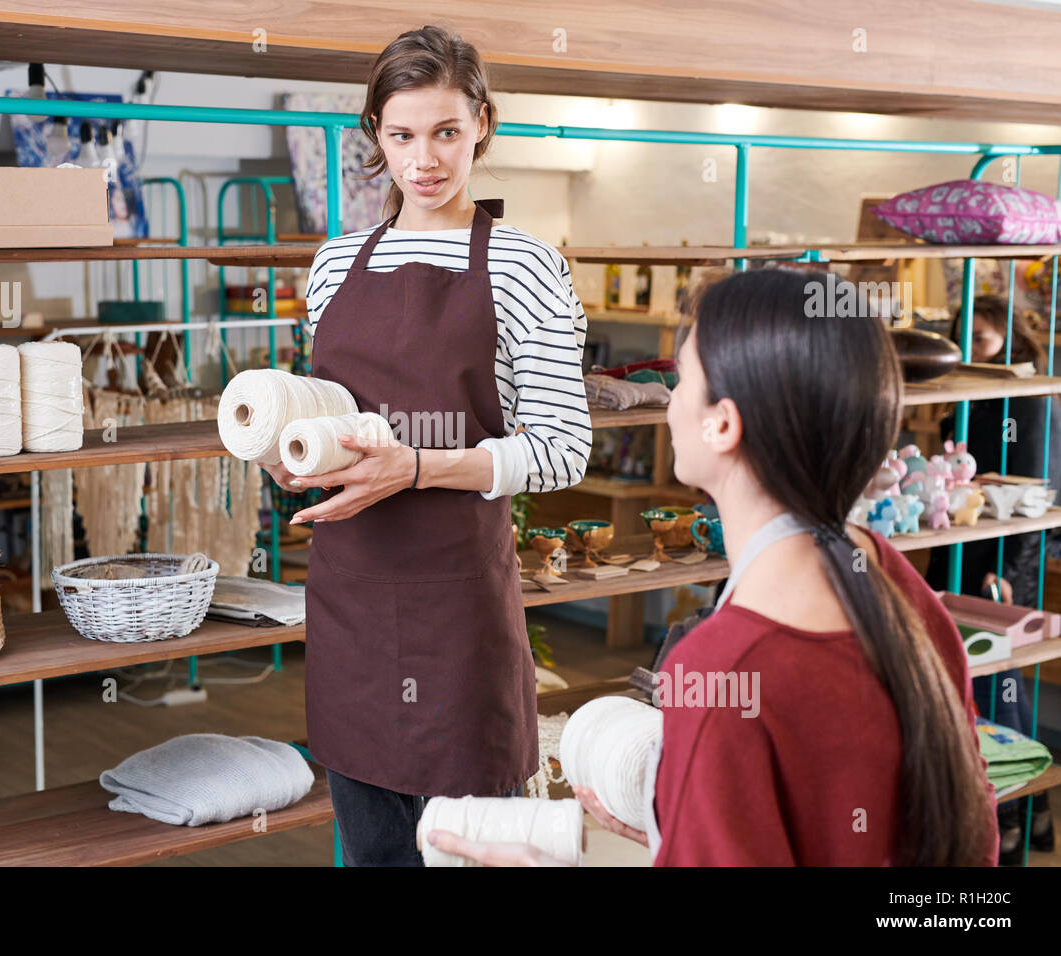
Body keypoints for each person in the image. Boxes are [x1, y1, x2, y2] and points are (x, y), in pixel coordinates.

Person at [429, 268, 998, 866]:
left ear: (722, 424)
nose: (671, 402)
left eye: (682, 380)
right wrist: (685, 825)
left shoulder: (724, 669)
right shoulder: (894, 584)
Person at [258, 24, 592, 866]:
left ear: (482, 122)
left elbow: (562, 448)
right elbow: (328, 412)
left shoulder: (525, 267)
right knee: (373, 853)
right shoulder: (333, 266)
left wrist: (417, 467)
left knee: (472, 851)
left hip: (458, 619)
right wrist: (288, 448)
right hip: (350, 612)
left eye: (446, 131)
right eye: (402, 135)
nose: (425, 160)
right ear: (376, 133)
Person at [924, 295, 1059, 863]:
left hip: (999, 562)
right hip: (959, 547)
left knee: (997, 680)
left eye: (982, 341)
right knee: (970, 676)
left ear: (1010, 340)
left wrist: (1007, 575)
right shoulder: (963, 389)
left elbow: (1032, 496)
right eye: (965, 339)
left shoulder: (1024, 399)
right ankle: (1014, 811)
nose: (971, 351)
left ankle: (1017, 811)